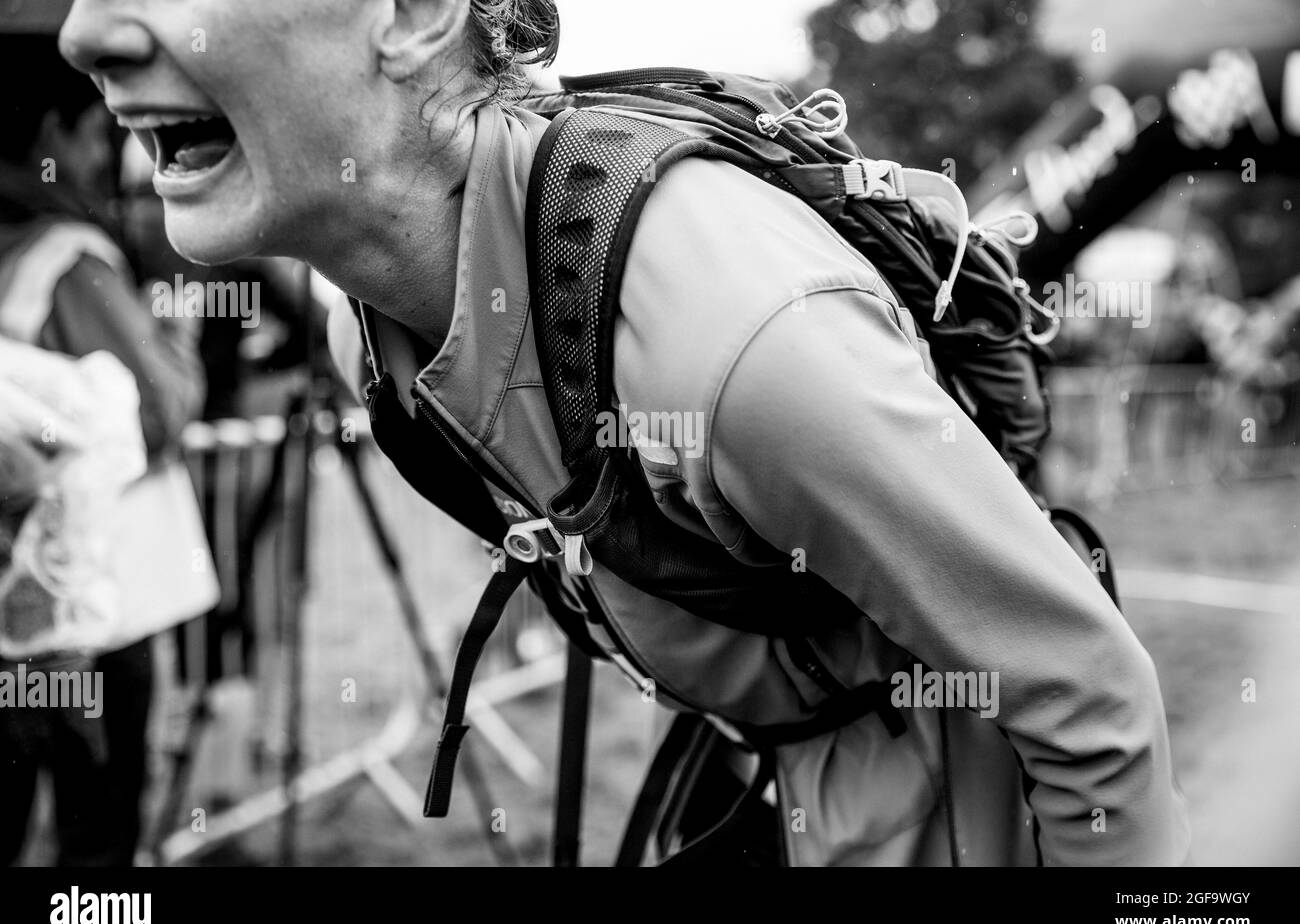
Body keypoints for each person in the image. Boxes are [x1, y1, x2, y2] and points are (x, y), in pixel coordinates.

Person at [60, 0, 1191, 865]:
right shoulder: (376, 334)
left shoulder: (733, 336)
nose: (80, 32)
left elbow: (1087, 693)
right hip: (751, 779)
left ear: (411, 13)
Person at [0, 12, 206, 866]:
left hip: (15, 610)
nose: (106, 163)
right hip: (94, 611)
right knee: (99, 829)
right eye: (97, 134)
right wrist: (180, 330)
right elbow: (159, 411)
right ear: (53, 133)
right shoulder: (72, 253)